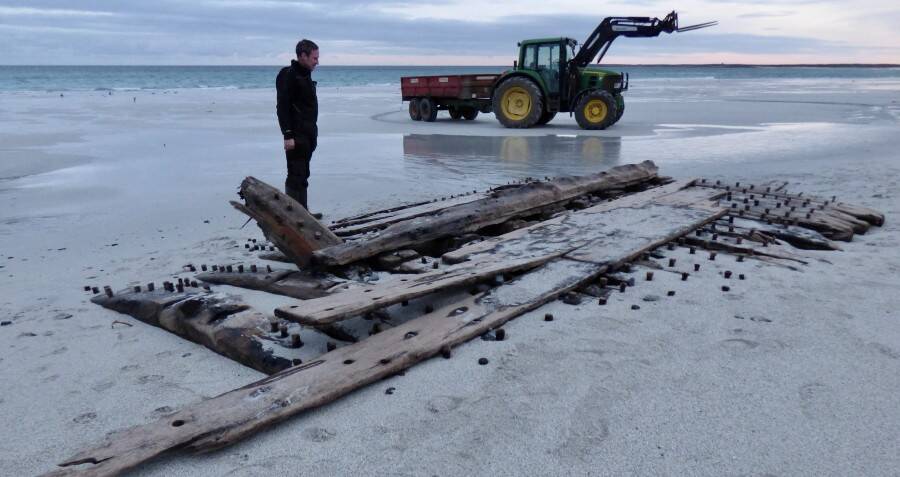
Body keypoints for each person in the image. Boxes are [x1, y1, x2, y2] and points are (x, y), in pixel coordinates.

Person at [276, 39, 320, 216]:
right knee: (295, 174)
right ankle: (293, 216)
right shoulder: (288, 75)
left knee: (304, 173)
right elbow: (282, 107)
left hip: (308, 133)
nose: (317, 62)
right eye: (314, 58)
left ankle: (304, 213)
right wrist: (287, 135)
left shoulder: (305, 75)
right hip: (295, 134)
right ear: (303, 56)